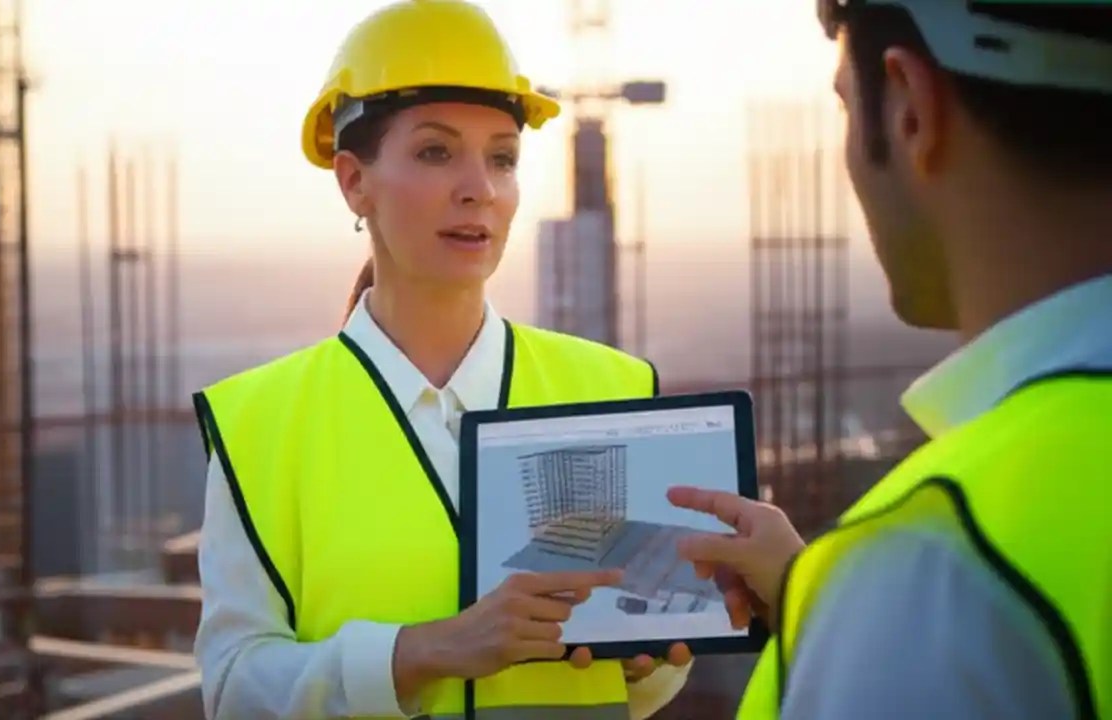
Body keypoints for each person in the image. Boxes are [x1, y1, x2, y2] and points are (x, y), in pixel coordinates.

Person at [191, 2, 691, 718]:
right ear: (354, 182)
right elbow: (234, 688)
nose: (479, 188)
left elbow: (643, 688)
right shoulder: (260, 428)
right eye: (435, 152)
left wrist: (649, 660)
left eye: (502, 158)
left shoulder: (612, 389)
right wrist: (421, 652)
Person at [666, 1, 1112, 718]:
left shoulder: (934, 563)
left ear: (909, 109)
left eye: (846, 103)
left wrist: (861, 613)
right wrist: (816, 597)